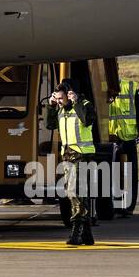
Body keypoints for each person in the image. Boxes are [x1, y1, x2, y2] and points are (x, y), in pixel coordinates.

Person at [47, 79, 96, 246]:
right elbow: (49, 124)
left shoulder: (85, 105)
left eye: (61, 98)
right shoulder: (61, 109)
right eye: (58, 99)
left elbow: (87, 121)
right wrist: (51, 106)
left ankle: (76, 230)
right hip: (67, 156)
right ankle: (87, 233)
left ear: (69, 94)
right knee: (76, 193)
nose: (60, 102)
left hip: (82, 155)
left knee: (75, 192)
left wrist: (76, 103)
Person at [102, 75, 139, 216]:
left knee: (129, 173)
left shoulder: (130, 86)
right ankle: (115, 203)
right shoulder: (99, 87)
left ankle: (127, 206)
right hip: (110, 137)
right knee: (113, 173)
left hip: (128, 136)